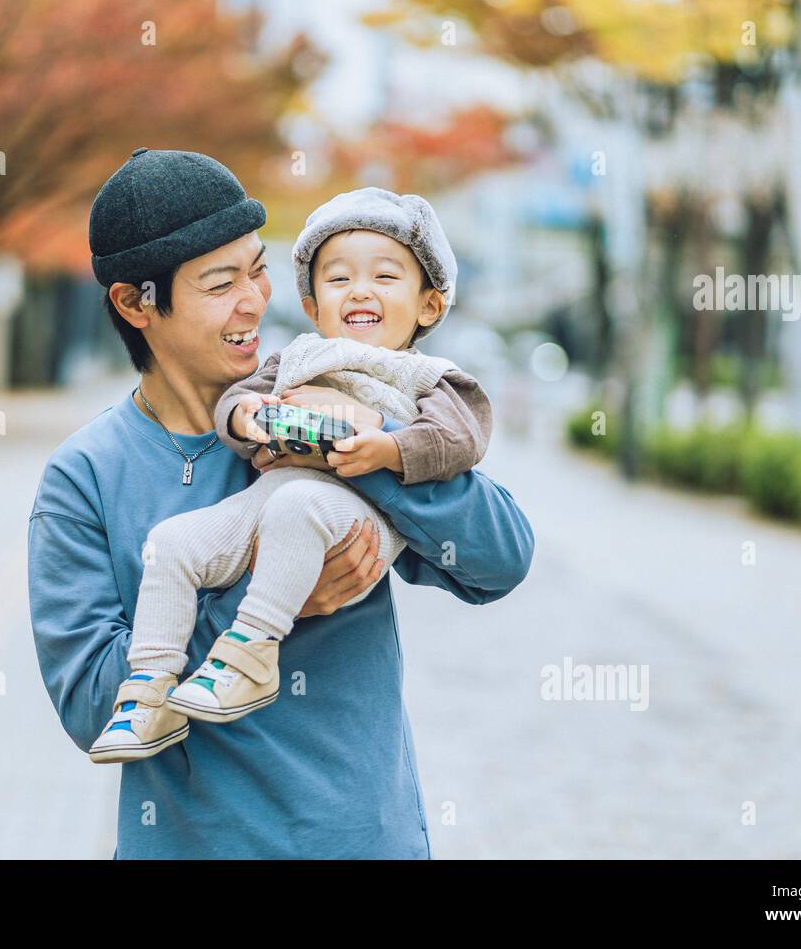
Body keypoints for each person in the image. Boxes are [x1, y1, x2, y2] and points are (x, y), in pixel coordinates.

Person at [27, 148, 535, 859]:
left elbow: (501, 560)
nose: (254, 301)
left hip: (363, 841)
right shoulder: (85, 476)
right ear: (135, 303)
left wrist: (366, 443)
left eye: (258, 270)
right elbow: (89, 707)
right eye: (220, 282)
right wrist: (278, 602)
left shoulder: (341, 398)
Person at [88, 187, 497, 762]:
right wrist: (246, 417)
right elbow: (236, 403)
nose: (360, 290)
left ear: (430, 305)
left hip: (357, 519)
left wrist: (385, 445)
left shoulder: (430, 376)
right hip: (279, 494)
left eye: (385, 277)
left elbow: (462, 439)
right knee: (171, 543)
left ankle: (252, 653)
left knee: (296, 509)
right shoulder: (297, 358)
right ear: (312, 307)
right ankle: (149, 690)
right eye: (338, 279)